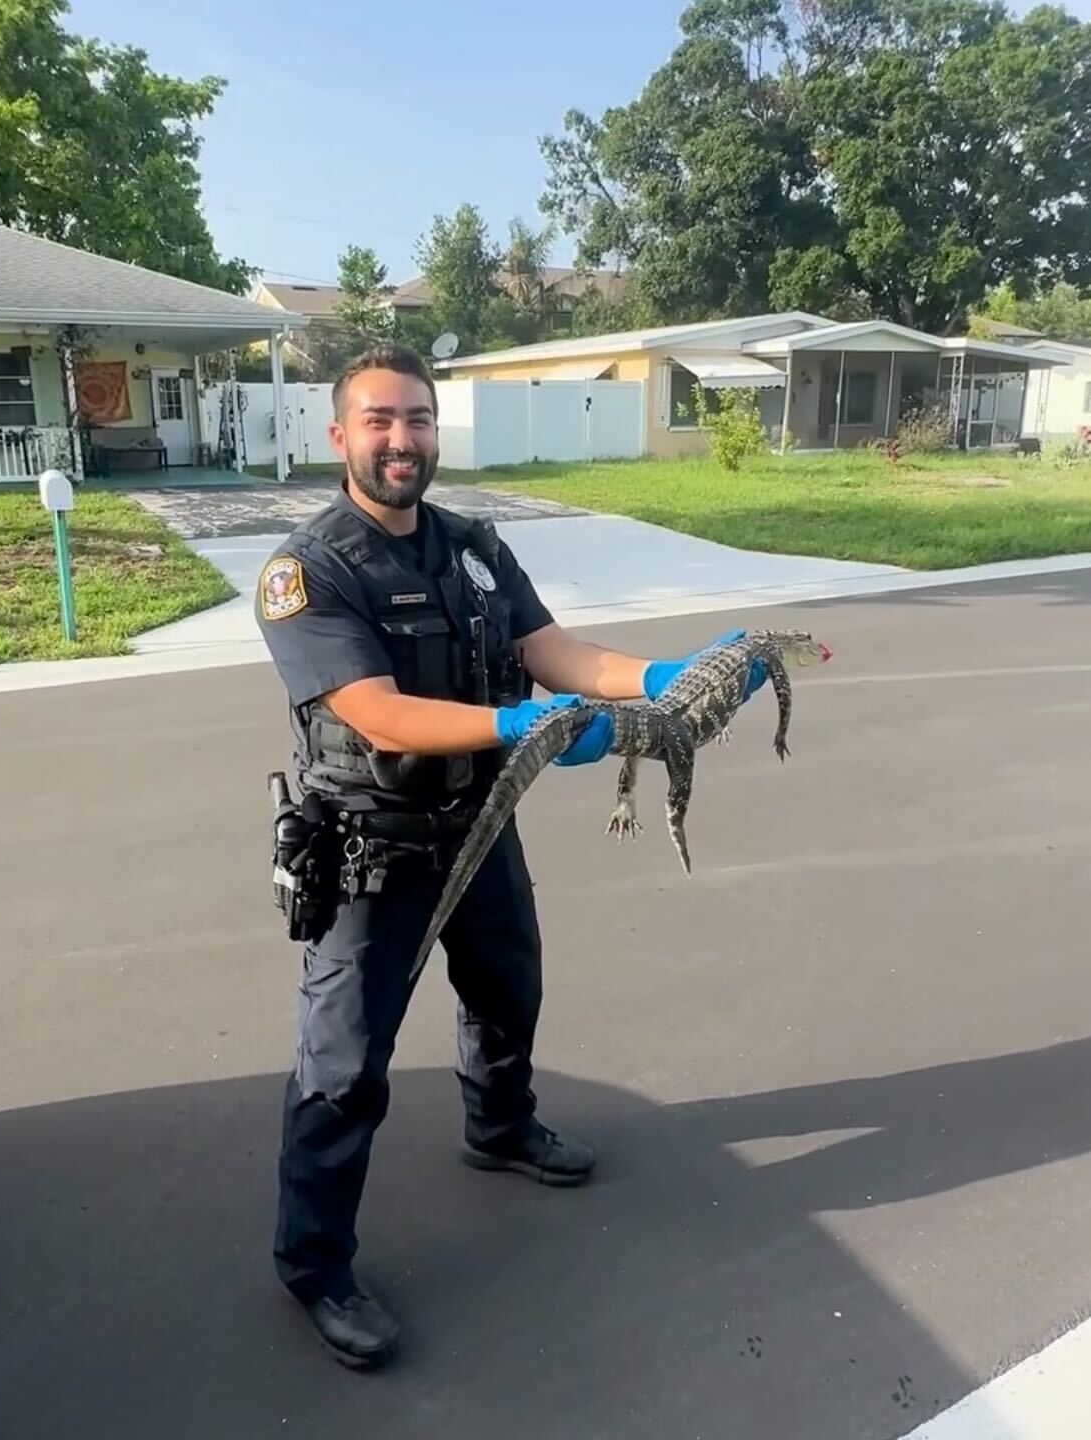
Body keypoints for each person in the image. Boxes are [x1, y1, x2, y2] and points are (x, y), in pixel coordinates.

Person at [254, 342, 765, 1369]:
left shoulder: (474, 545)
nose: (404, 440)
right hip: (371, 853)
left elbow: (551, 649)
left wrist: (664, 677)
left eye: (419, 420)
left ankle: (499, 1127)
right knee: (343, 1068)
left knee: (507, 992)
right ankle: (314, 1264)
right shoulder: (307, 572)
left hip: (478, 831)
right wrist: (517, 725)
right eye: (382, 421)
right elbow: (378, 715)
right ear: (340, 435)